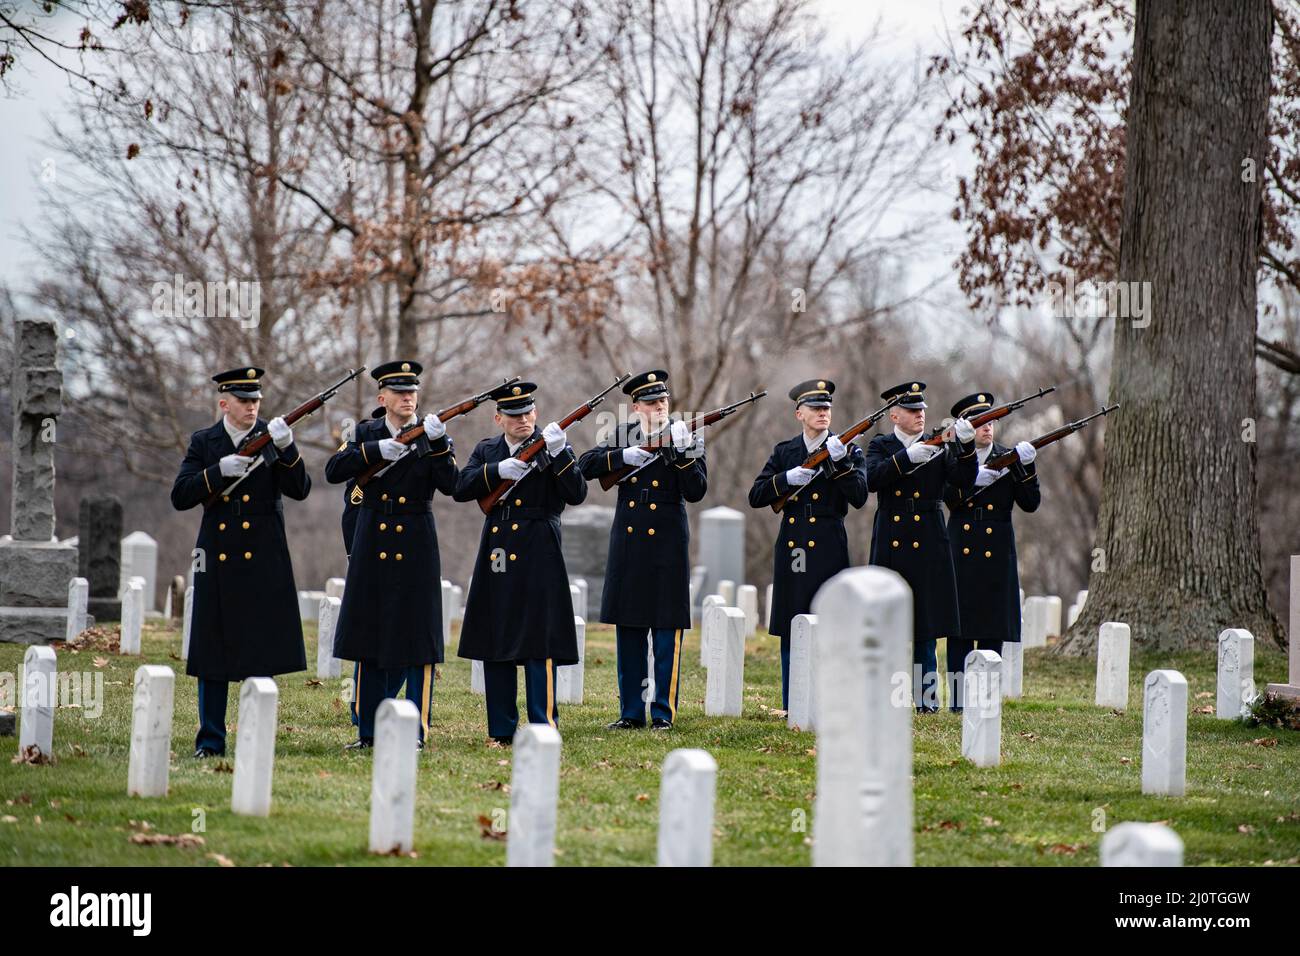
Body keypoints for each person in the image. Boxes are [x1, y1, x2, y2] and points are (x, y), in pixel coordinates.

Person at [170, 366, 310, 757]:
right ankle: (210, 741)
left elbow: (300, 488)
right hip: (218, 556)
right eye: (244, 401)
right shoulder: (205, 442)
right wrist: (216, 473)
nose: (251, 407)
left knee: (259, 650)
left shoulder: (271, 438)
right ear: (224, 403)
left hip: (264, 557)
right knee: (213, 655)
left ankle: (255, 735)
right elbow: (180, 495)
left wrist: (288, 449)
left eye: (256, 401)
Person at [325, 361, 456, 749]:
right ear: (382, 398)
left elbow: (452, 484)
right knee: (369, 637)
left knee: (419, 640)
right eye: (399, 392)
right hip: (373, 539)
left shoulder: (431, 435)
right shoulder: (364, 433)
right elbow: (334, 470)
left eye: (412, 391)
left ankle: (416, 731)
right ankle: (369, 732)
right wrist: (376, 450)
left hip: (416, 538)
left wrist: (437, 445)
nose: (408, 397)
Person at [453, 381, 587, 744]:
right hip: (498, 545)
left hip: (539, 544)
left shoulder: (554, 445)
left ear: (536, 413)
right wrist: (497, 471)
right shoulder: (488, 450)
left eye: (528, 412)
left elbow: (576, 493)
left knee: (538, 638)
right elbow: (461, 487)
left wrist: (561, 455)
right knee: (497, 635)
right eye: (513, 415)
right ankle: (501, 729)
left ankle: (543, 725)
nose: (523, 420)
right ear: (499, 419)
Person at [577, 369, 706, 731]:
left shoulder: (687, 435)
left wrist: (681, 452)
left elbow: (696, 489)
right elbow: (586, 466)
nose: (660, 406)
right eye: (651, 401)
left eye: (663, 400)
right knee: (630, 631)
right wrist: (624, 457)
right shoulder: (621, 435)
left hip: (667, 541)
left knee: (666, 634)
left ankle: (663, 712)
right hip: (630, 543)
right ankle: (631, 712)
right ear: (636, 407)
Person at [747, 378, 867, 710]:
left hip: (829, 540)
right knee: (792, 621)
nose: (823, 413)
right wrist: (785, 479)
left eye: (827, 408)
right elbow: (756, 495)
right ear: (799, 413)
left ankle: (829, 701)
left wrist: (841, 464)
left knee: (830, 620)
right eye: (815, 408)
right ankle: (793, 699)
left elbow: (859, 496)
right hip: (795, 541)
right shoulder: (785, 452)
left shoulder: (849, 450)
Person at [864, 381, 976, 712]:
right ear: (894, 415)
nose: (920, 416)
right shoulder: (881, 446)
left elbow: (962, 480)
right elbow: (872, 480)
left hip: (929, 536)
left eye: (922, 410)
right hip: (892, 538)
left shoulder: (941, 445)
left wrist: (966, 447)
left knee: (926, 629)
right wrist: (905, 458)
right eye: (913, 411)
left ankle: (926, 701)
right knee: (889, 625)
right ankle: (885, 698)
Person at [942, 392, 1040, 710]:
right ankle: (958, 701)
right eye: (982, 423)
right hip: (961, 546)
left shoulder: (1007, 457)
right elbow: (950, 499)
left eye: (992, 422)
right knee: (959, 632)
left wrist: (1027, 467)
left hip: (996, 549)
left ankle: (985, 700)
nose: (988, 428)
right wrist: (973, 480)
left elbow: (1030, 503)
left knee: (991, 628)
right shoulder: (952, 457)